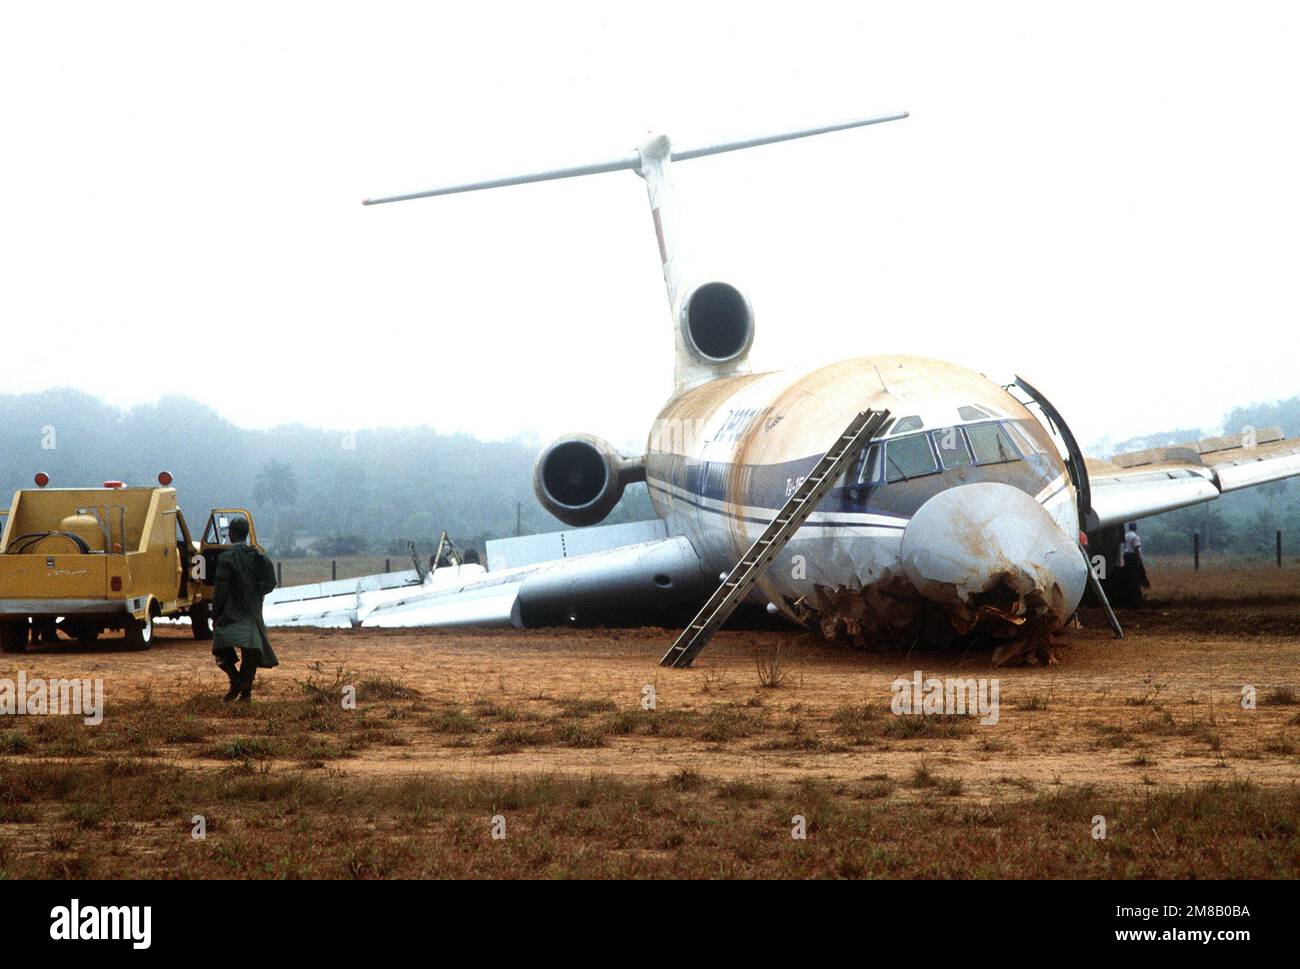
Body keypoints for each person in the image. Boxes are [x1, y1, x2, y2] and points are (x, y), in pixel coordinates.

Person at [211, 517, 278, 702]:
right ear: (246, 533)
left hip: (231, 611)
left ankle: (236, 679)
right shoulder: (259, 557)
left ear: (231, 534)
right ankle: (245, 691)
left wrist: (215, 614)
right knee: (252, 651)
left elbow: (220, 590)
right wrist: (257, 592)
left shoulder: (226, 557)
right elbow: (271, 583)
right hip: (252, 611)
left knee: (220, 646)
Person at [1123, 522, 1150, 590]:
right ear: (1135, 528)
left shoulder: (1125, 535)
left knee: (1128, 571)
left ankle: (1128, 585)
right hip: (1133, 556)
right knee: (1135, 572)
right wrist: (1139, 559)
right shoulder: (1135, 536)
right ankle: (1136, 586)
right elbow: (1136, 548)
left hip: (1126, 555)